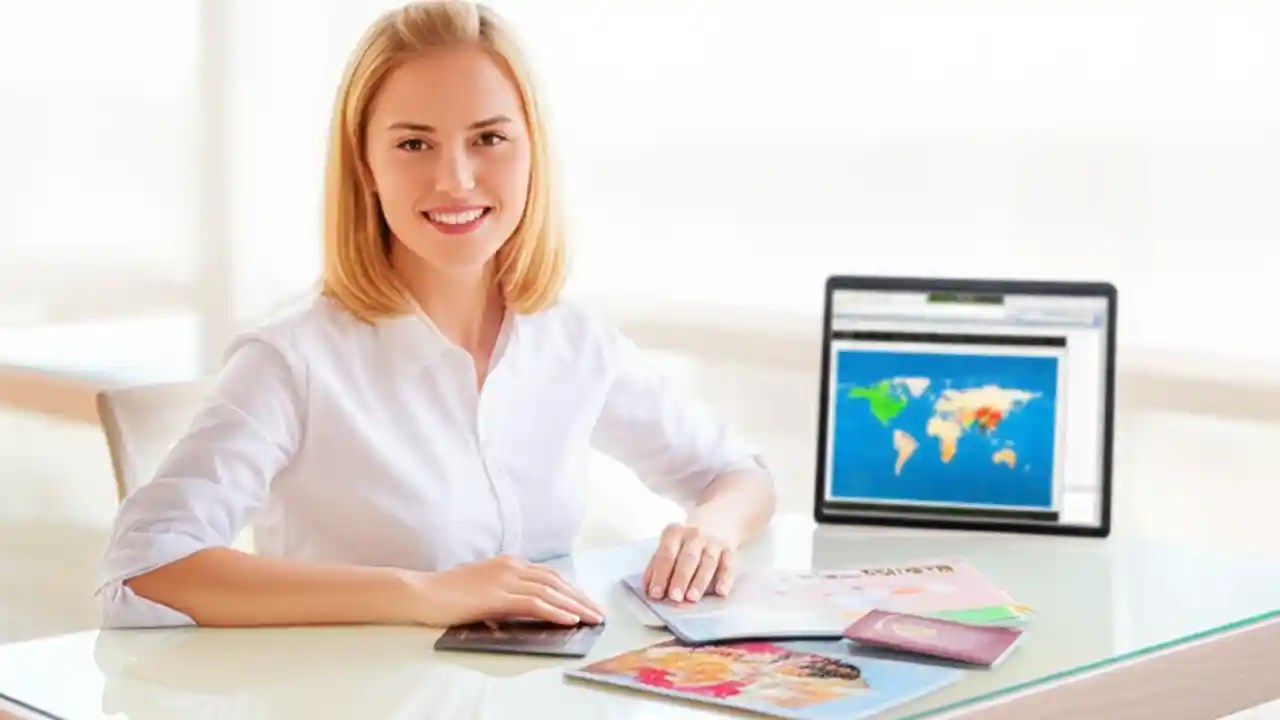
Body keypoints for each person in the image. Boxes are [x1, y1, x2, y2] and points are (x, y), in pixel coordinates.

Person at [96, 0, 775, 629]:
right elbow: (145, 570)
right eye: (414, 144)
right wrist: (418, 594)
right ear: (366, 164)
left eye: (489, 138)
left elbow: (739, 476)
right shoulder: (291, 360)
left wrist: (710, 530)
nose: (455, 178)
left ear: (532, 150)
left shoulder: (572, 341)